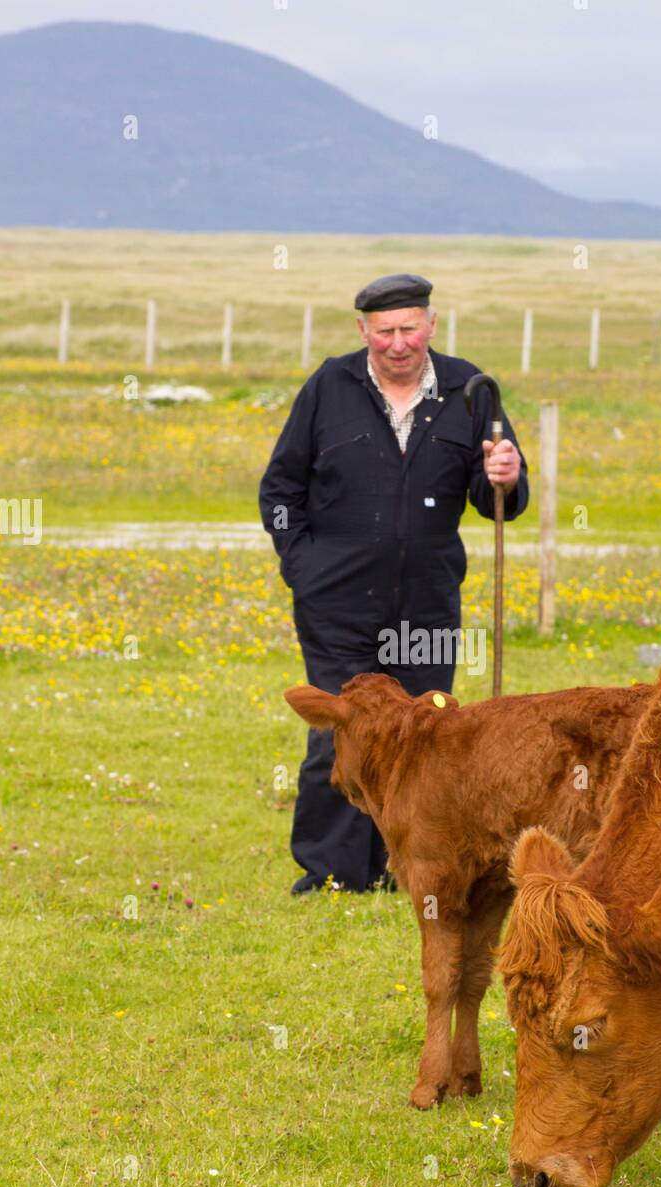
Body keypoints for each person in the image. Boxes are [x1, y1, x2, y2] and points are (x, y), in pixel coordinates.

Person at [259, 273, 529, 892]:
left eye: (410, 328)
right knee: (341, 729)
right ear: (363, 331)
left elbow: (499, 501)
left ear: (432, 325)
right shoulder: (331, 385)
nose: (399, 343)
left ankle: (411, 868)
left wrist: (507, 475)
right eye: (385, 331)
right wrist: (300, 565)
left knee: (424, 734)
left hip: (427, 603)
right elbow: (279, 490)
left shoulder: (470, 388)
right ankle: (332, 872)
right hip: (337, 603)